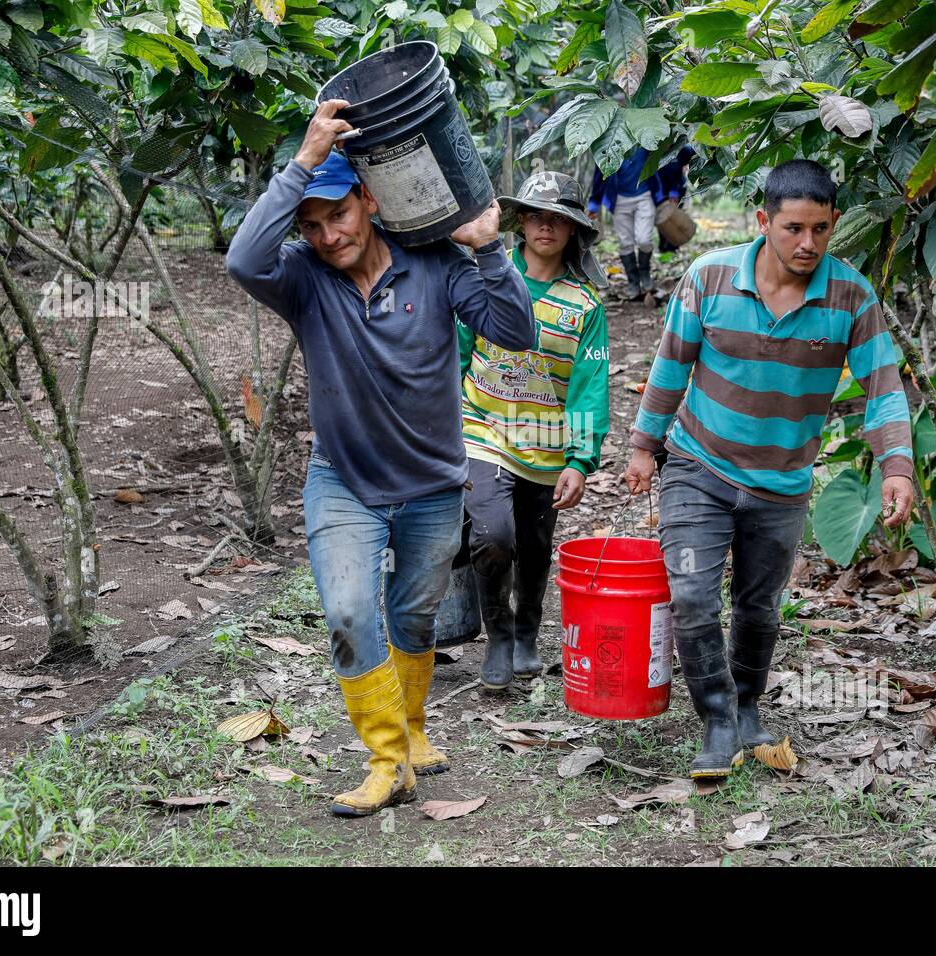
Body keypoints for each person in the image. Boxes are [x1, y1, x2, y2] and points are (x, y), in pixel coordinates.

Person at [226, 99, 535, 816]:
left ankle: (415, 727)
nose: (327, 235)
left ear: (368, 200)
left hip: (430, 484)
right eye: (309, 224)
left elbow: (514, 333)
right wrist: (303, 161)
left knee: (414, 620)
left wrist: (489, 248)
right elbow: (243, 259)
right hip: (343, 480)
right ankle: (387, 760)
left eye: (336, 214)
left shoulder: (433, 264)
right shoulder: (302, 278)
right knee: (347, 613)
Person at [623, 159, 915, 780]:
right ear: (764, 221)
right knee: (695, 596)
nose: (806, 243)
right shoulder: (709, 277)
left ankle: (749, 706)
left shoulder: (851, 296)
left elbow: (884, 387)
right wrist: (644, 446)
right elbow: (671, 364)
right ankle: (718, 718)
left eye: (819, 229)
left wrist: (898, 467)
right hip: (699, 464)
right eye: (792, 228)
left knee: (759, 606)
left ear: (834, 224)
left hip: (782, 484)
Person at [459, 171, 610, 690]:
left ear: (574, 231)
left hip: (545, 446)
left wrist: (579, 459)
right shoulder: (489, 278)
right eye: (536, 215)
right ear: (520, 222)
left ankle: (527, 632)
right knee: (492, 535)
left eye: (559, 219)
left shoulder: (585, 305)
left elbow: (589, 386)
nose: (546, 226)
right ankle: (498, 634)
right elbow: (457, 352)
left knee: (536, 543)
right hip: (481, 427)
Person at [588, 146, 656, 301]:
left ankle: (645, 273)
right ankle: (633, 282)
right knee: (625, 242)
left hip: (644, 195)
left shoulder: (645, 143)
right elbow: (599, 175)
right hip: (619, 199)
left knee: (644, 240)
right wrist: (594, 204)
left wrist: (672, 191)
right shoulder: (611, 146)